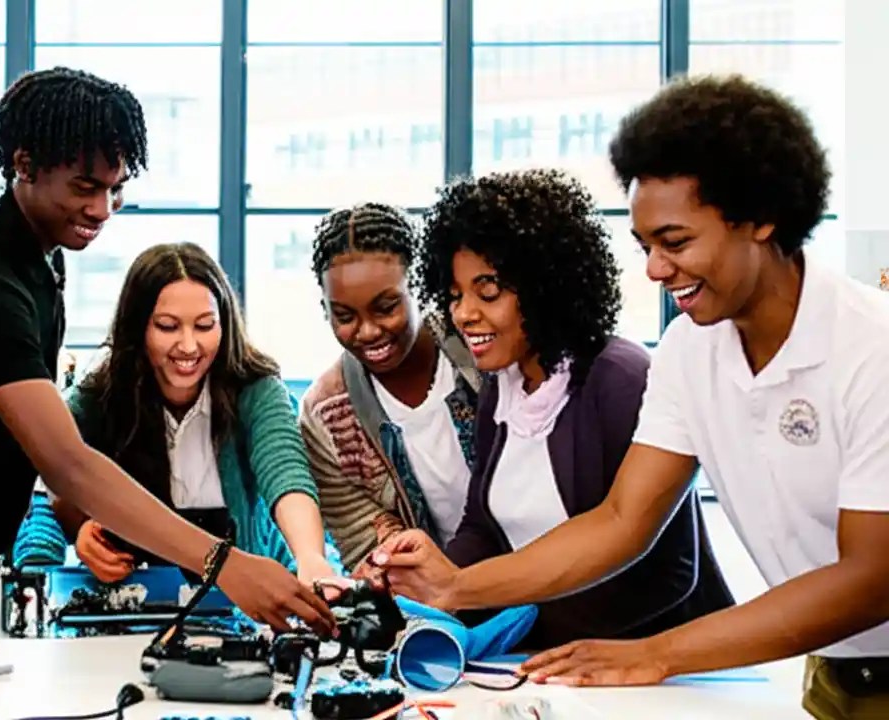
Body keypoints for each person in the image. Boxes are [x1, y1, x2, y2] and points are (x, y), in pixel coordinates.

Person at [369, 74, 889, 718]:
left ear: (760, 217)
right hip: (836, 674)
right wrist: (454, 587)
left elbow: (872, 578)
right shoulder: (688, 352)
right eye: (646, 247)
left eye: (675, 242)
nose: (654, 269)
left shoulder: (873, 347)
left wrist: (655, 653)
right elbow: (621, 521)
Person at [0, 67, 335, 647]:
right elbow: (66, 463)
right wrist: (225, 564)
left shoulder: (41, 265)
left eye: (115, 189)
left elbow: (281, 466)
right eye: (85, 187)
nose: (103, 209)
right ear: (23, 164)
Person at [414, 168, 734, 650]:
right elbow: (484, 528)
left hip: (660, 667)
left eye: (488, 291)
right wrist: (426, 582)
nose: (463, 314)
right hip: (545, 661)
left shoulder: (621, 380)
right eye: (456, 295)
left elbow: (669, 573)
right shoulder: (502, 385)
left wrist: (518, 627)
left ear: (546, 285)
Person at [27, 242, 339, 587]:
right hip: (133, 603)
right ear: (138, 327)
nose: (189, 346)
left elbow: (286, 473)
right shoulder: (99, 396)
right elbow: (47, 477)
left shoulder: (257, 389)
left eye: (205, 326)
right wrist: (81, 529)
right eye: (167, 326)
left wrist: (310, 557)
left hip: (245, 597)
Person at [299, 202, 481, 574]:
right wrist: (383, 565)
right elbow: (362, 539)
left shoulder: (483, 354)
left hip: (542, 573)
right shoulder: (326, 415)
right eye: (345, 316)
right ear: (324, 309)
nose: (367, 331)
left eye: (385, 308)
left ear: (419, 288)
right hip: (444, 607)